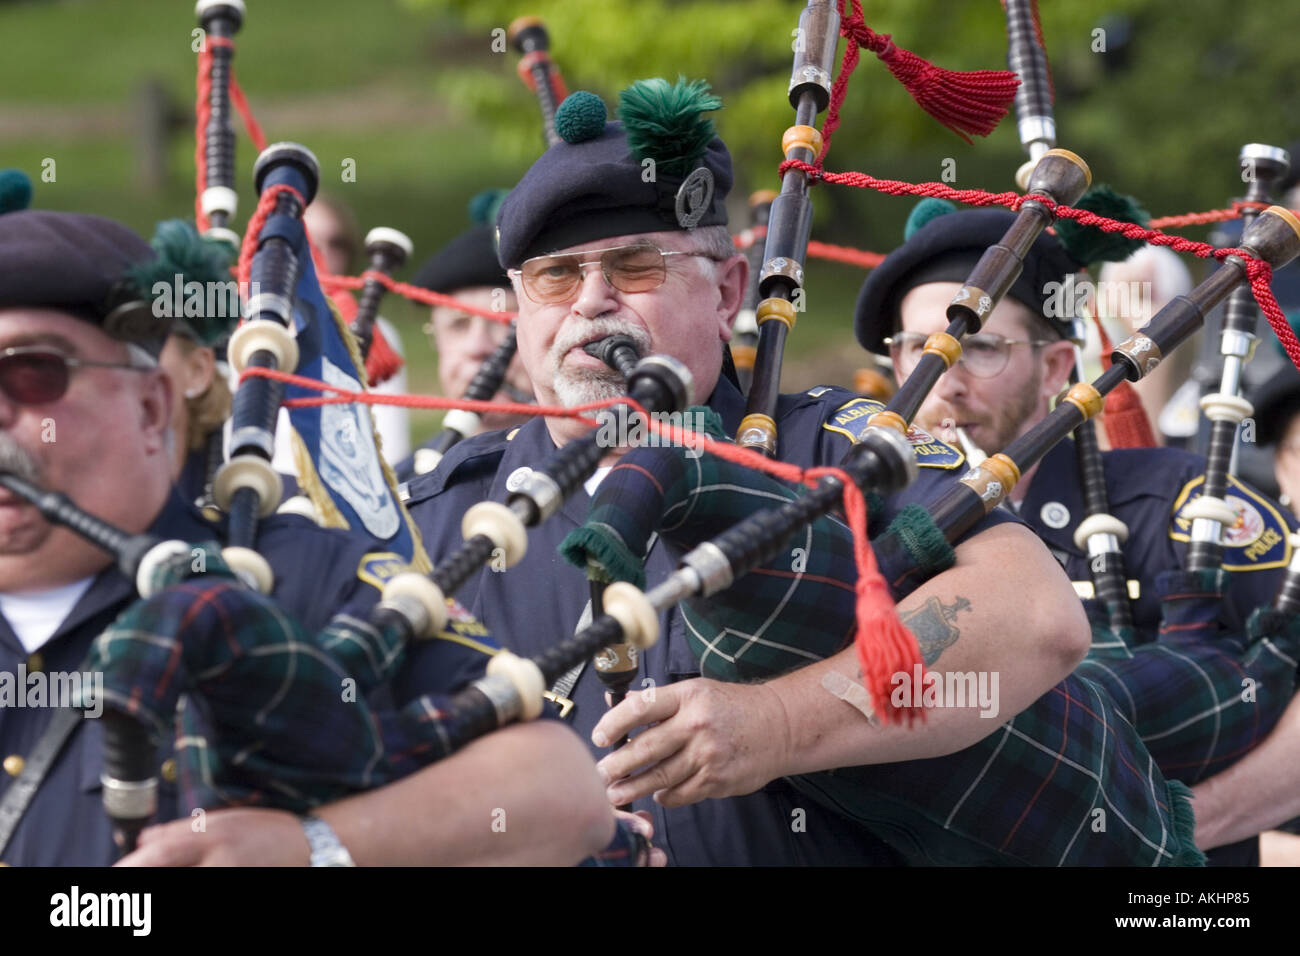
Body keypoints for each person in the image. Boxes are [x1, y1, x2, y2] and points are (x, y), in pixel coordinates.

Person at [404, 79, 1092, 865]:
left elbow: (1037, 620)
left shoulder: (842, 451)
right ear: (518, 312)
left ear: (728, 292)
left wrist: (777, 726)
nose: (590, 304)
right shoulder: (444, 514)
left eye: (634, 268)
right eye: (554, 277)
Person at [0, 208, 613, 867]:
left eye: (31, 373)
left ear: (152, 406)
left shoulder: (298, 576)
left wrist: (311, 847)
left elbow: (560, 793)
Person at [854, 203, 1299, 865]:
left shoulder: (1177, 506)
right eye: (919, 348)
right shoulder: (857, 524)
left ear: (1058, 366)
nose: (942, 383)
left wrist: (1177, 831)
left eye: (979, 347)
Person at [397, 219, 534, 480]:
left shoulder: (605, 465)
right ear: (434, 339)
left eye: (505, 322)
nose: (478, 346)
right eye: (459, 324)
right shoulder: (397, 484)